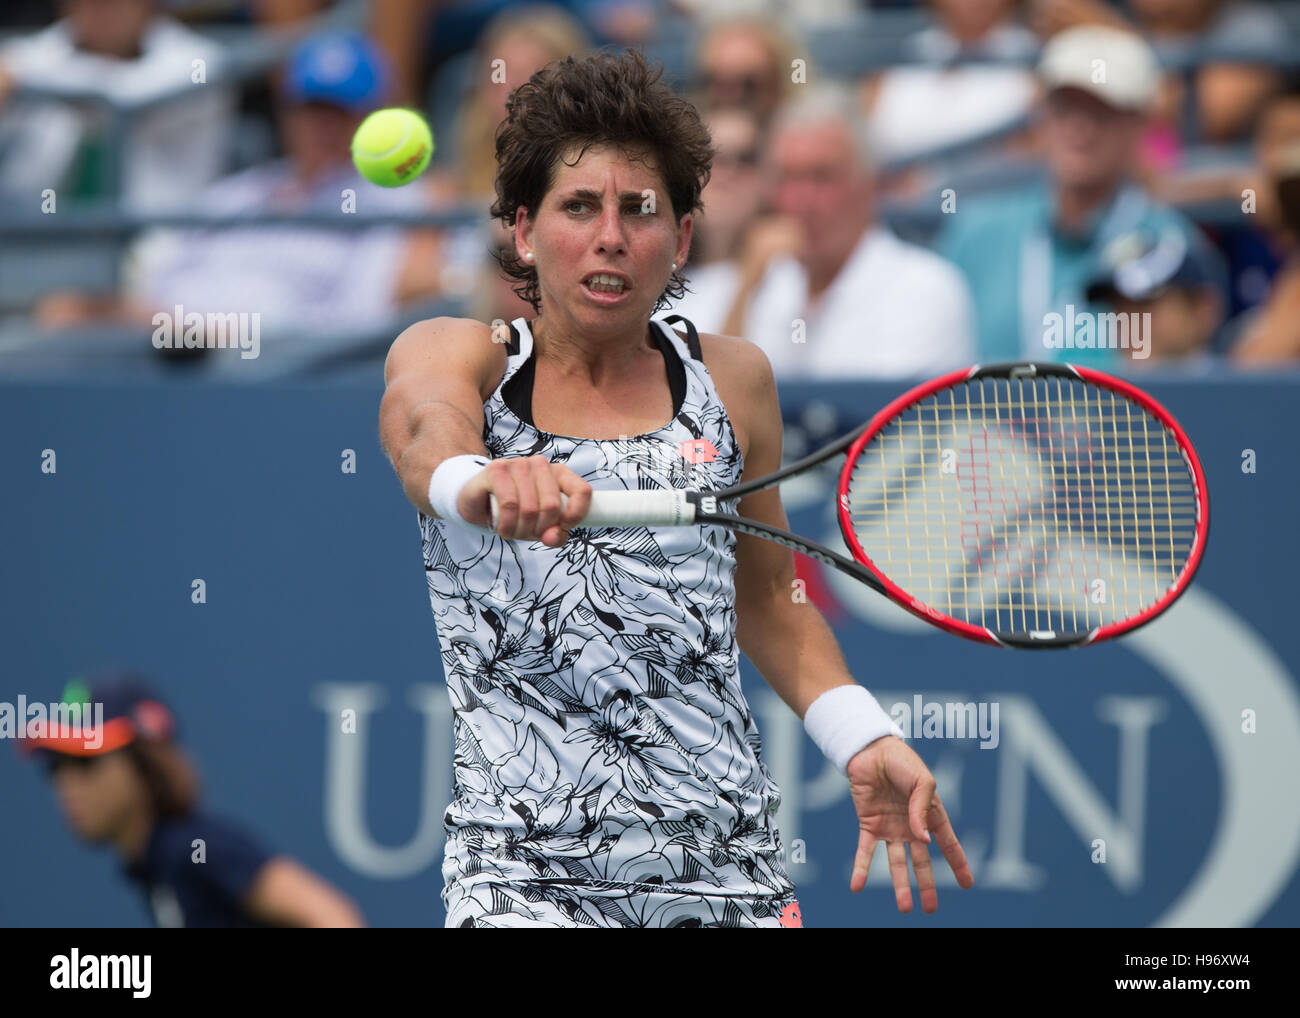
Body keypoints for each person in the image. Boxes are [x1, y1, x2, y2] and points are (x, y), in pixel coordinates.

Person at [379, 50, 973, 928]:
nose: (610, 235)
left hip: (727, 876)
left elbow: (769, 595)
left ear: (683, 238)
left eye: (640, 210)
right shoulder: (459, 354)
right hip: (520, 886)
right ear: (524, 232)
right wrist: (485, 480)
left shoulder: (734, 381)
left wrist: (860, 732)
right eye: (578, 207)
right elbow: (424, 435)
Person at [32, 30, 446, 345]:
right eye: (310, 108)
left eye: (338, 111)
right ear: (287, 112)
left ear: (368, 118)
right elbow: (153, 280)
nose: (321, 126)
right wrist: (114, 313)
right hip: (168, 351)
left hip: (278, 372)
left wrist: (203, 332)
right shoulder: (236, 193)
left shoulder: (393, 203)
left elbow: (352, 322)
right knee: (62, 314)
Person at [937, 24, 1220, 366]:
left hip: (1119, 420)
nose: (1080, 128)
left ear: (1140, 124)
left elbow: (1186, 384)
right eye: (1064, 108)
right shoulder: (975, 233)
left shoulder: (1174, 247)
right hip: (985, 419)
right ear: (1040, 118)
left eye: (1102, 111)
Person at [20, 673, 365, 928]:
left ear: (145, 764)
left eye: (86, 760)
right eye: (55, 768)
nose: (67, 785)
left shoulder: (191, 848)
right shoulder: (155, 867)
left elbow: (335, 918)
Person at [732, 84, 977, 379]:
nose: (801, 200)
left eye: (821, 177)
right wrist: (747, 283)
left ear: (868, 185)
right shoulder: (762, 281)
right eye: (788, 178)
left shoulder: (926, 290)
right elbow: (711, 408)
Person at [0, 0, 234, 210]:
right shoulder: (45, 52)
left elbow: (122, 95)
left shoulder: (200, 63)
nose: (100, 12)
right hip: (46, 231)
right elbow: (20, 58)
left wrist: (22, 76)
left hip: (163, 239)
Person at [1083, 220, 1226, 366]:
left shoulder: (1237, 380)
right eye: (1117, 308)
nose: (1127, 321)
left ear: (1203, 309)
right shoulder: (1089, 386)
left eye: (1144, 305)